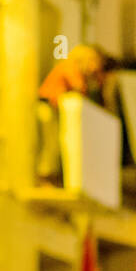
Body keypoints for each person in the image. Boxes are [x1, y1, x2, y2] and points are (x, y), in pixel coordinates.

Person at [36, 45, 107, 183]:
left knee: (54, 144)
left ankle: (49, 176)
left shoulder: (72, 68)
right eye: (92, 62)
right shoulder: (69, 67)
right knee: (52, 144)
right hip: (48, 107)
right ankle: (45, 176)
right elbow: (78, 88)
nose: (93, 67)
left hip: (53, 109)